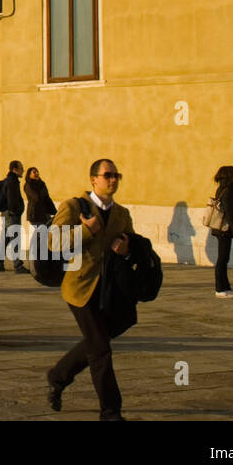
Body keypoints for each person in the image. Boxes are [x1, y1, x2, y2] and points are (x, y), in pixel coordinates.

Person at [46, 158, 135, 421]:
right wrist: (85, 231)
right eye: (107, 175)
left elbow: (132, 244)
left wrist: (127, 250)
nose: (113, 180)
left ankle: (59, 375)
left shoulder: (122, 214)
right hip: (81, 289)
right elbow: (52, 242)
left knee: (99, 341)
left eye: (116, 175)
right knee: (100, 351)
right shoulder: (74, 207)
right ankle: (111, 412)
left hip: (109, 291)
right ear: (93, 179)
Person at [211, 165, 233, 298]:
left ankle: (226, 287)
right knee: (223, 259)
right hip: (224, 228)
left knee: (224, 258)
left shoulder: (221, 188)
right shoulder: (230, 190)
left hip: (219, 227)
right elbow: (230, 213)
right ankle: (220, 289)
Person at [0, 160, 27, 273]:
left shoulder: (10, 180)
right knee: (15, 239)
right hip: (12, 215)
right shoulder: (12, 182)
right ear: (15, 169)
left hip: (7, 214)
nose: (23, 170)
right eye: (21, 168)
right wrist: (17, 211)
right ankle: (18, 265)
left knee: (5, 239)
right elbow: (12, 200)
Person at [23, 166, 56, 231]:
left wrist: (54, 211)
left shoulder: (41, 184)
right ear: (29, 175)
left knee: (45, 232)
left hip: (44, 214)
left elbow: (47, 198)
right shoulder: (28, 185)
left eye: (37, 172)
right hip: (35, 215)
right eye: (34, 172)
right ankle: (34, 241)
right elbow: (36, 197)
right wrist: (41, 185)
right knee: (41, 232)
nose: (36, 173)